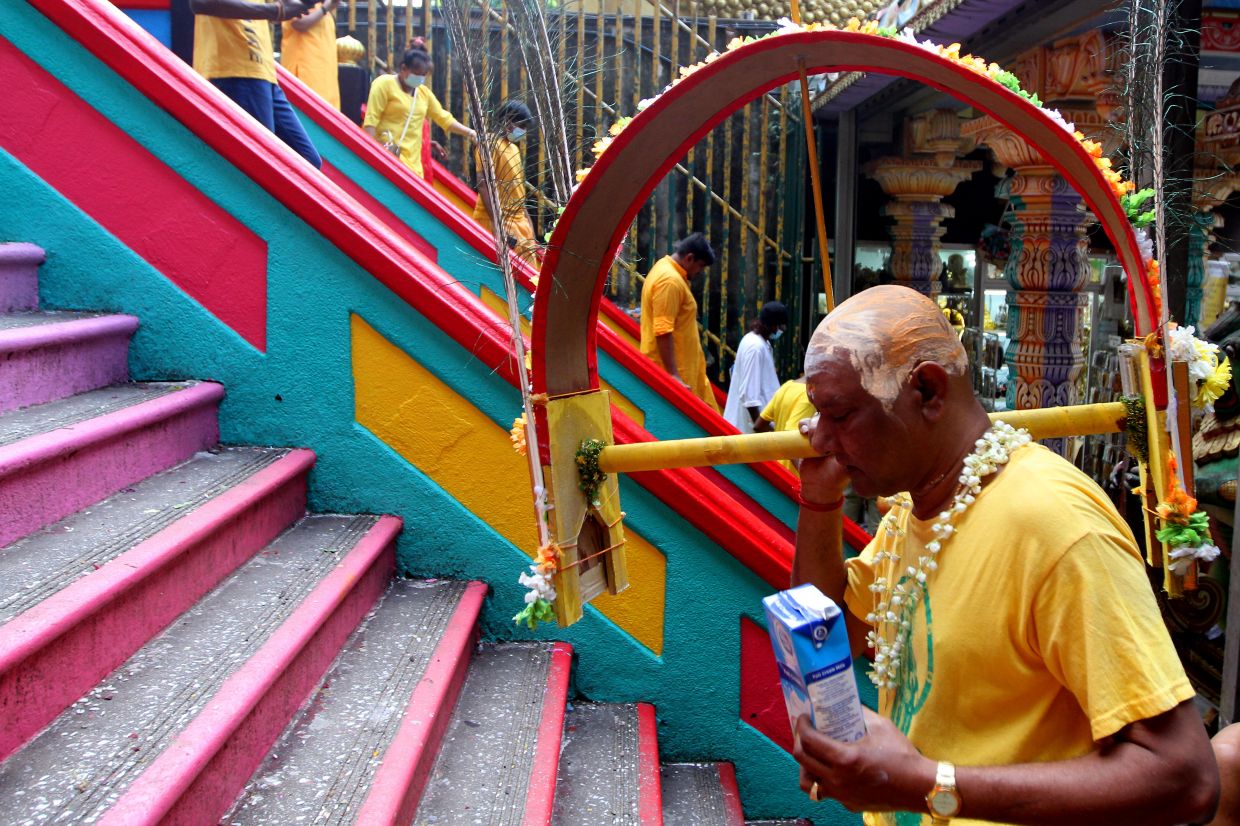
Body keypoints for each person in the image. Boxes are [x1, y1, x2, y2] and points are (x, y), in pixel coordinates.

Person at [790, 284, 1218, 825]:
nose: (820, 438)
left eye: (840, 414)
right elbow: (825, 634)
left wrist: (927, 783)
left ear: (927, 389)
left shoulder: (1054, 524)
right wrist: (820, 500)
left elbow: (1185, 777)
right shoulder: (917, 507)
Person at [190, 0, 323, 168]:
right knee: (262, 164)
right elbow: (201, 3)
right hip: (234, 70)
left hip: (263, 72)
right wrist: (276, 11)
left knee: (308, 162)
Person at [363, 40, 475, 179]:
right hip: (387, 163)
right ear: (404, 68)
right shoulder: (383, 84)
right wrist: (372, 155)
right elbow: (370, 123)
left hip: (414, 171)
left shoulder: (423, 93)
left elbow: (444, 119)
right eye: (417, 74)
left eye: (423, 75)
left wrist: (470, 133)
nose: (420, 79)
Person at [638, 233, 719, 412]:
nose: (699, 273)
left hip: (686, 374)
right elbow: (663, 330)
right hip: (678, 378)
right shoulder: (670, 281)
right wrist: (673, 376)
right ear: (689, 258)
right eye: (700, 267)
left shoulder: (667, 270)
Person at [473, 100, 538, 264]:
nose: (523, 132)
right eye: (521, 126)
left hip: (519, 224)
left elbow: (519, 192)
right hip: (500, 222)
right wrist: (497, 222)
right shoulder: (489, 143)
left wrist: (530, 228)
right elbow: (482, 184)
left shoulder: (514, 149)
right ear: (507, 121)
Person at [724, 301, 787, 433]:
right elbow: (750, 397)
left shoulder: (760, 343)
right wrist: (763, 430)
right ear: (773, 325)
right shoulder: (755, 347)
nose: (783, 329)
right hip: (749, 432)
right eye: (781, 325)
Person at [280, 0, 341, 109]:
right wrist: (324, 9)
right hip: (305, 76)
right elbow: (299, 23)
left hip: (325, 79)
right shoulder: (303, 3)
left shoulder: (324, 7)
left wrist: (325, 8)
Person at [755, 376, 815, 474]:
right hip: (793, 475)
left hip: (778, 469)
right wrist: (809, 477)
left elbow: (758, 426)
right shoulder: (808, 396)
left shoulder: (787, 386)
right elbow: (790, 442)